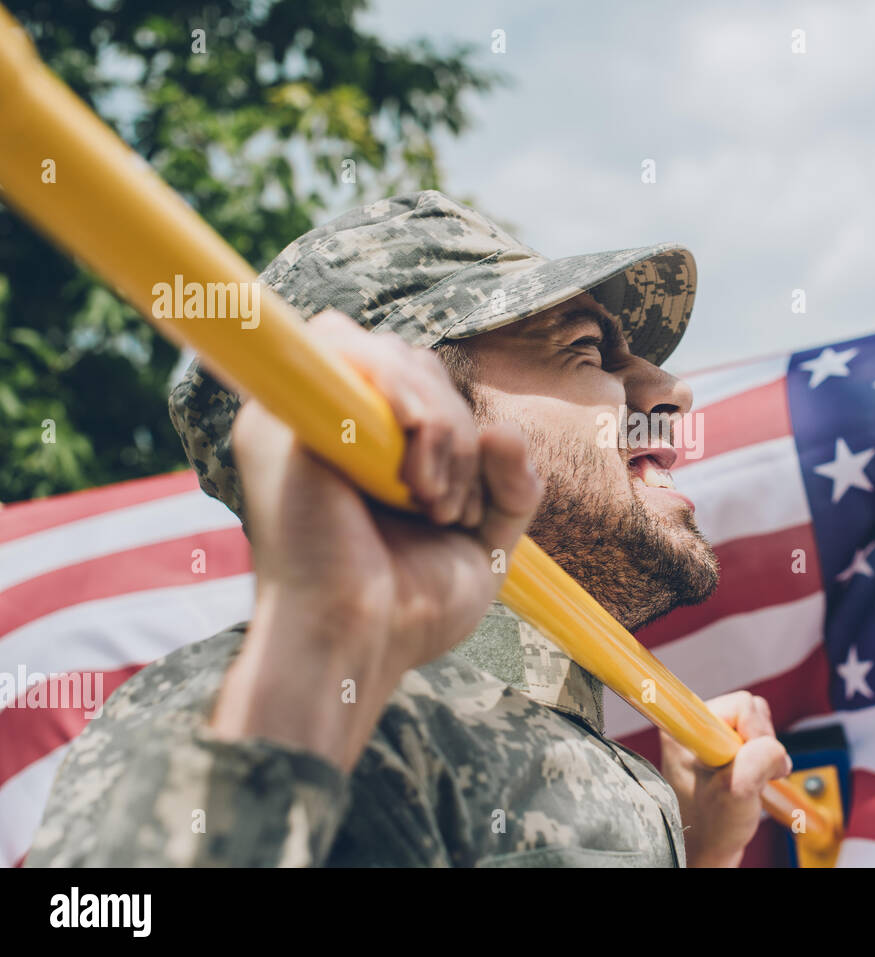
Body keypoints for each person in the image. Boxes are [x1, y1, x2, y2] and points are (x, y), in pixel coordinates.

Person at [26, 191, 792, 867]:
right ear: (419, 408)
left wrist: (702, 853)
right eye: (588, 350)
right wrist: (310, 662)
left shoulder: (586, 745)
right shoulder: (237, 703)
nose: (671, 389)